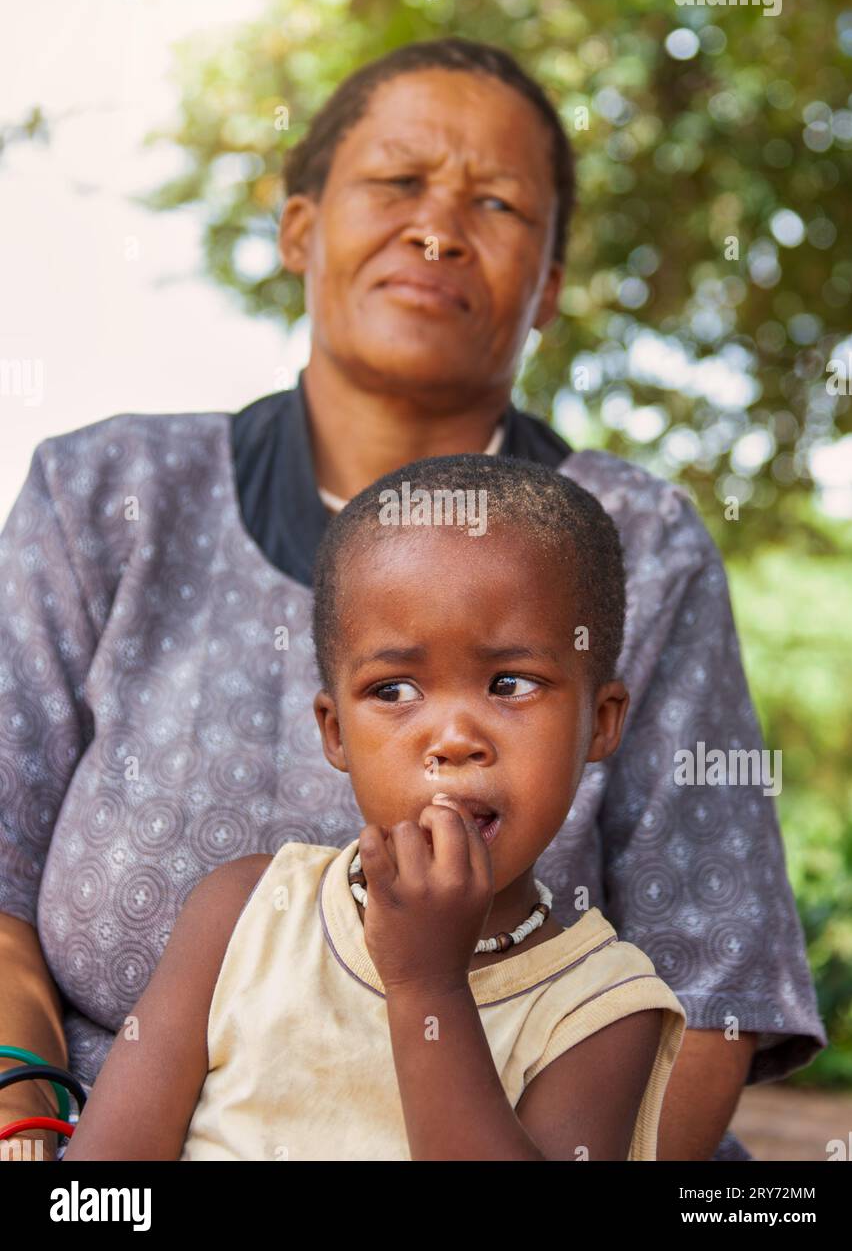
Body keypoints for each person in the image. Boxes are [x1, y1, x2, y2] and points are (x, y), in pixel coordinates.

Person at [0, 36, 825, 1162]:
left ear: (545, 292)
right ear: (299, 228)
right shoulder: (104, 496)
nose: (437, 230)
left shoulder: (636, 539)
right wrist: (26, 1121)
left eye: (494, 204)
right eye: (396, 183)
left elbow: (714, 989)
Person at [64, 455, 687, 1161]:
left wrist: (427, 985)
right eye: (394, 691)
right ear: (335, 732)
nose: (453, 738)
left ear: (601, 721)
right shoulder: (245, 913)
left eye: (510, 683)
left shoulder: (600, 1009)